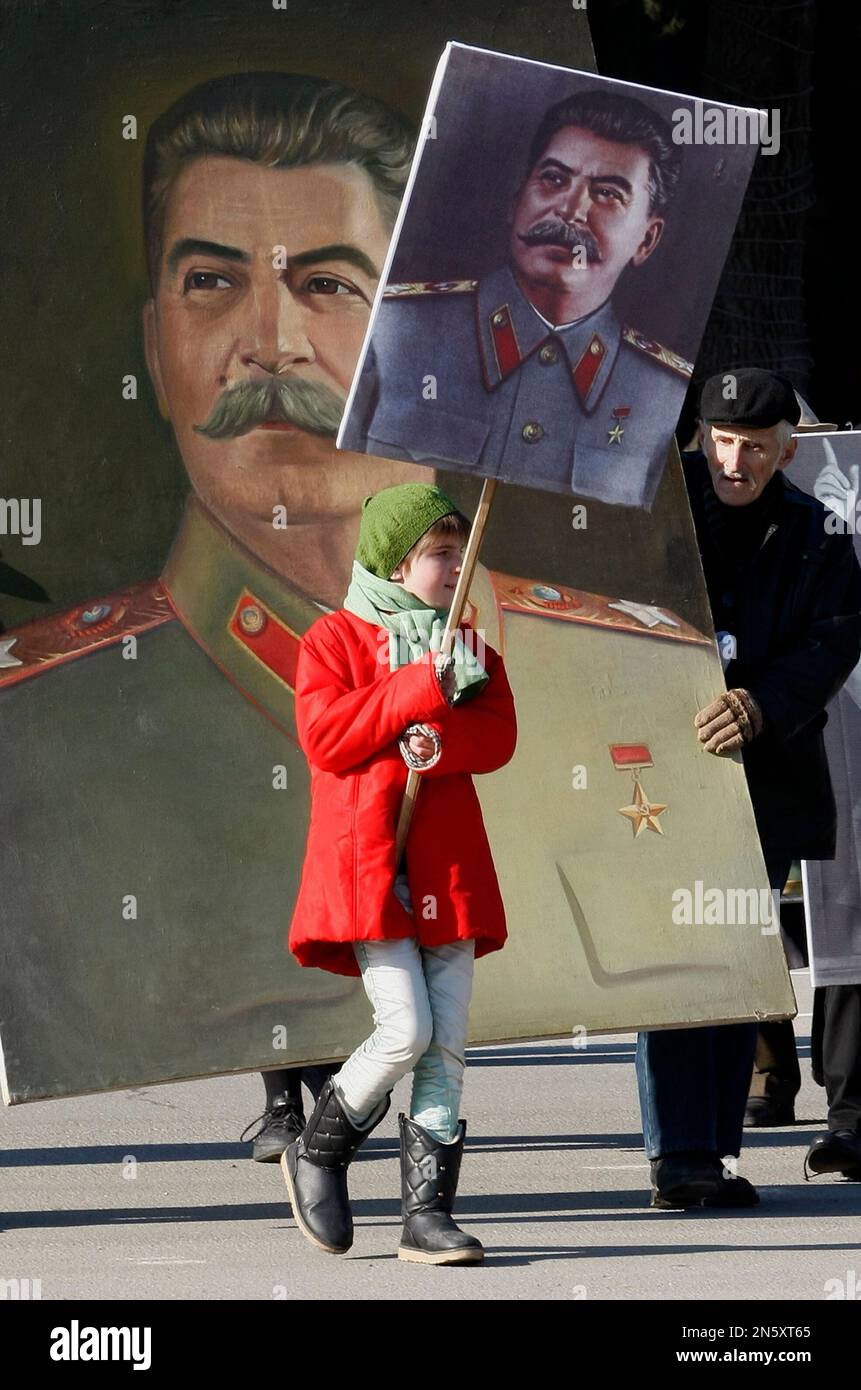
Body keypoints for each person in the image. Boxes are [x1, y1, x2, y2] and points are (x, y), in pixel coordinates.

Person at [636, 367, 861, 1209]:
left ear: (786, 449)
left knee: (732, 965)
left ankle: (709, 1153)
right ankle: (677, 1155)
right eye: (722, 442)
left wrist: (759, 704)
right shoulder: (653, 512)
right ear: (701, 438)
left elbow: (831, 641)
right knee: (674, 967)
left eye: (755, 447)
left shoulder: (817, 531)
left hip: (760, 782)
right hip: (655, 781)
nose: (735, 460)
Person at [282, 482, 517, 1264]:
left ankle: (426, 1218)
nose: (457, 568)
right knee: (405, 1028)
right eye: (440, 555)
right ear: (395, 562)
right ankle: (319, 1149)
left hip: (447, 868)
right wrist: (420, 685)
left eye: (459, 553)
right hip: (371, 871)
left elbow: (498, 735)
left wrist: (441, 744)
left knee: (445, 1045)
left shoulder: (469, 644)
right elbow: (327, 738)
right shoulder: (331, 640)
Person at [341, 88, 693, 508]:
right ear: (516, 200)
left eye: (607, 193)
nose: (570, 209)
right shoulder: (393, 328)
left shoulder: (664, 395)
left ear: (647, 240)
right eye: (554, 179)